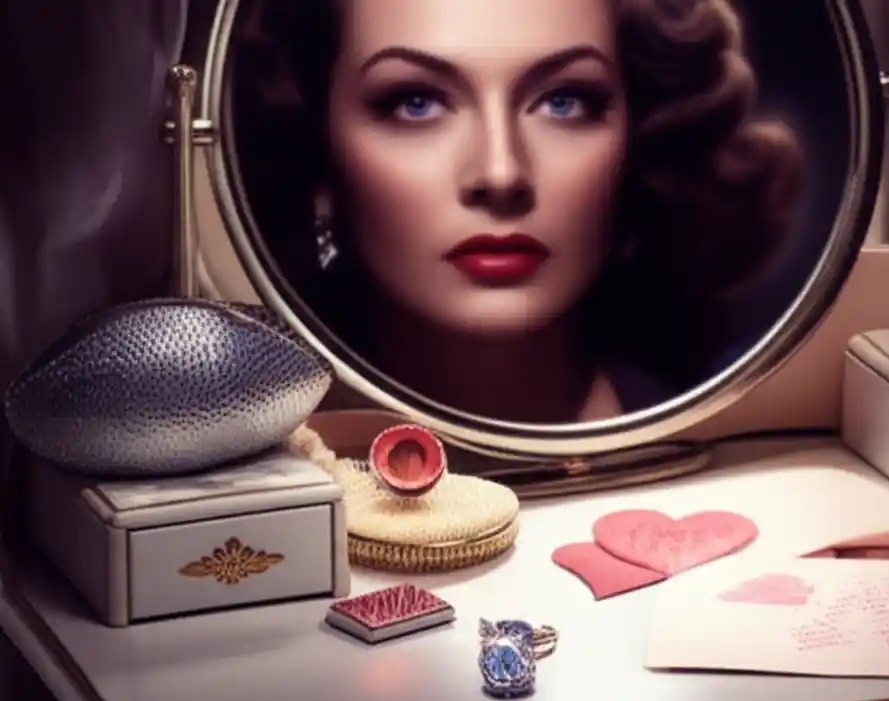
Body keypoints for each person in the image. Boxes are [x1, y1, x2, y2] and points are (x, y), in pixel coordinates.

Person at [231, 0, 803, 424]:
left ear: (641, 134)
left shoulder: (742, 436)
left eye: (564, 101)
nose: (501, 174)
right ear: (319, 148)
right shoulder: (253, 470)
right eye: (416, 103)